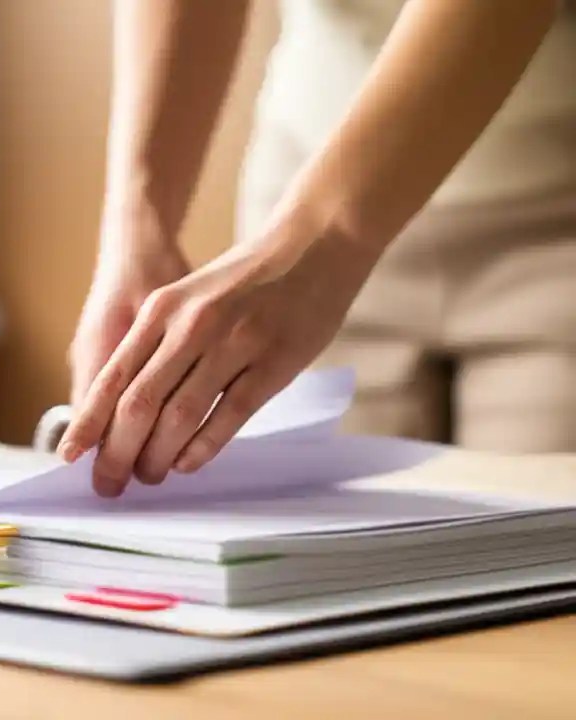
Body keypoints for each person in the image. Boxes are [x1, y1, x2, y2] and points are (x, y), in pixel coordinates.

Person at [57, 0, 576, 498]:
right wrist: (140, 227)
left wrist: (319, 242)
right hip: (300, 192)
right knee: (310, 560)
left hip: (554, 213)